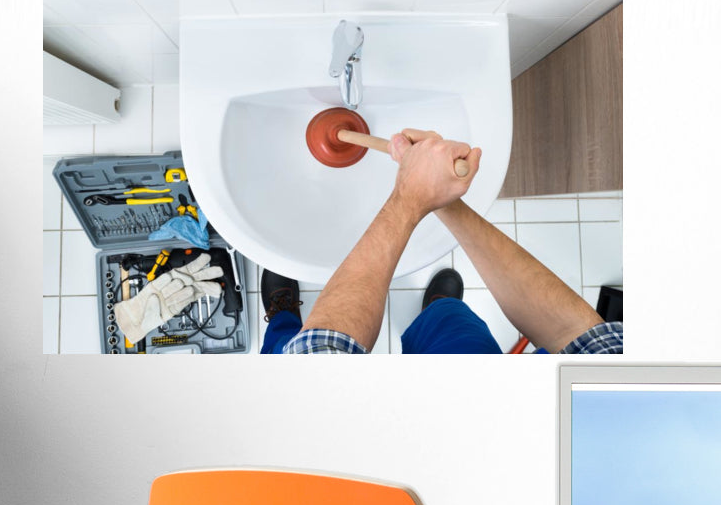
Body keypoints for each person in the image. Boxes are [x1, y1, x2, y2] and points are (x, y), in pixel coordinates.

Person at [260, 128, 622, 355]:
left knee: (285, 352)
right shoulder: (611, 395)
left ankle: (283, 317)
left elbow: (323, 353)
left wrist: (409, 197)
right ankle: (438, 309)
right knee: (451, 319)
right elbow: (577, 337)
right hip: (484, 380)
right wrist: (442, 197)